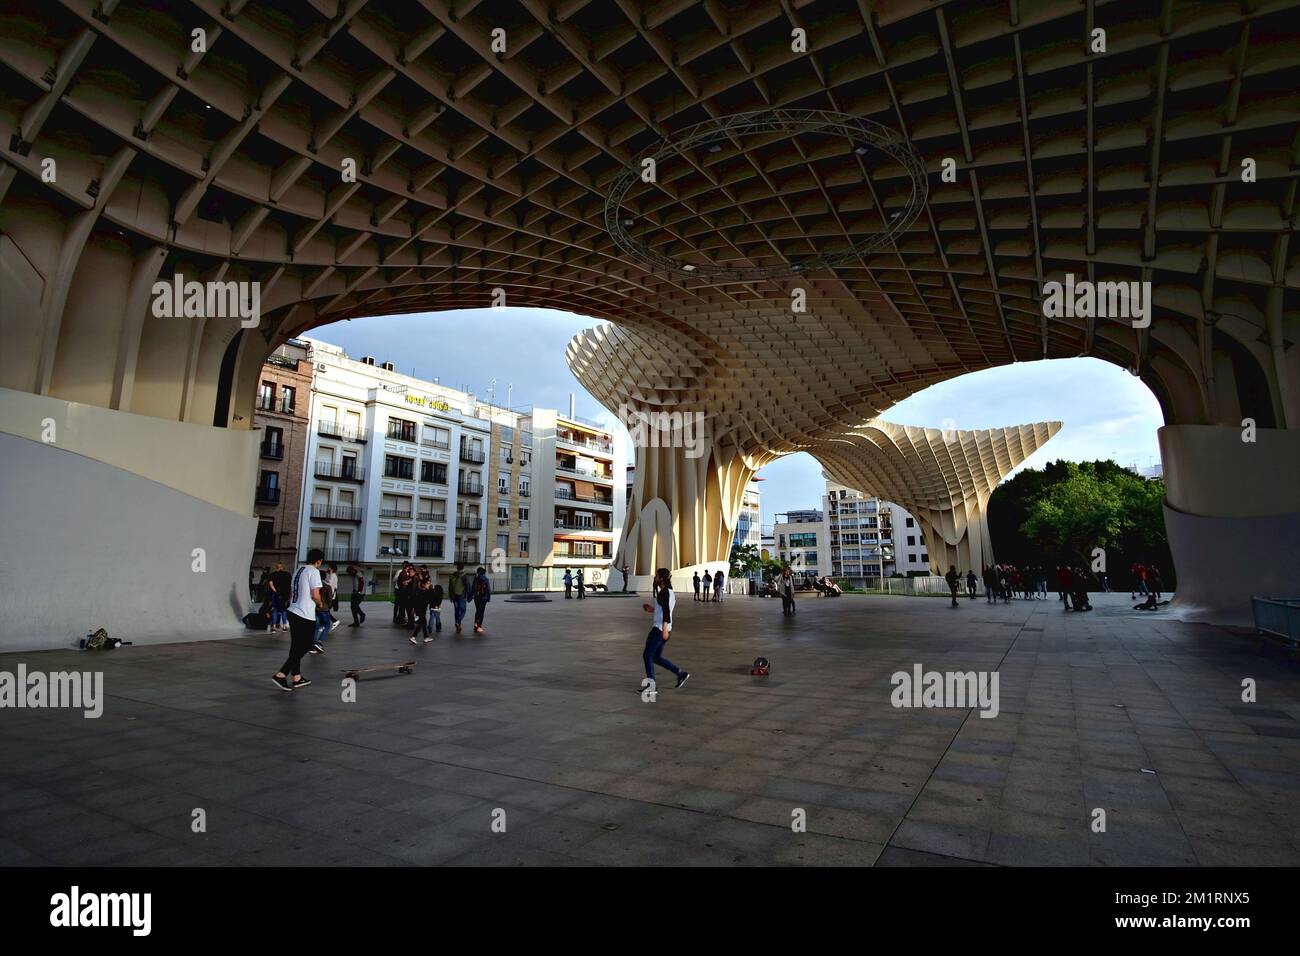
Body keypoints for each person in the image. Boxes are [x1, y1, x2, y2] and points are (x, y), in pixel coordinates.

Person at [272, 548, 323, 690]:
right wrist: (320, 603)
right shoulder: (314, 571)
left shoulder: (299, 570)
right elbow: (315, 594)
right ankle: (281, 674)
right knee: (307, 645)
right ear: (319, 561)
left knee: (296, 646)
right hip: (305, 614)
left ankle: (297, 677)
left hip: (293, 611)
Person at [640, 567, 689, 692]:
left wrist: (664, 629)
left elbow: (667, 611)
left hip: (659, 629)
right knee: (656, 657)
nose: (655, 578)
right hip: (664, 628)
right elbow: (663, 609)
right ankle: (680, 673)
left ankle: (651, 686)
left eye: (656, 576)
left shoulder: (664, 592)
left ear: (661, 578)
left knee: (647, 655)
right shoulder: (669, 592)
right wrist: (651, 609)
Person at [267, 561, 291, 632]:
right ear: (282, 567)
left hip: (276, 595)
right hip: (285, 595)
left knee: (275, 610)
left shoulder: (272, 574)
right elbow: (289, 585)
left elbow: (271, 584)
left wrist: (275, 591)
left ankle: (274, 627)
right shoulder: (287, 574)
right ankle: (284, 626)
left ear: (276, 567)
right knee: (284, 610)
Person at [409, 576, 433, 644]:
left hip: (420, 610)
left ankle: (425, 637)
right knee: (422, 623)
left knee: (422, 623)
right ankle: (414, 637)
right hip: (421, 610)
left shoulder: (420, 591)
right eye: (428, 583)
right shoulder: (425, 592)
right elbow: (430, 598)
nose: (429, 584)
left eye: (429, 583)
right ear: (423, 585)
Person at [449, 561, 468, 634]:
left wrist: (450, 596)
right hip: (461, 595)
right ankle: (458, 622)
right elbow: (467, 586)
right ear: (463, 568)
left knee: (456, 610)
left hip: (454, 595)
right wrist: (467, 595)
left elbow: (450, 586)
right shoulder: (464, 575)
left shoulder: (452, 575)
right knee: (463, 610)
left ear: (457, 568)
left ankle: (458, 625)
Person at [471, 566, 492, 634]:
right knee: (481, 612)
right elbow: (488, 589)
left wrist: (471, 596)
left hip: (477, 598)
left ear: (478, 572)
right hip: (484, 598)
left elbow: (473, 588)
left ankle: (475, 625)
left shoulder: (476, 579)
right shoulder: (486, 579)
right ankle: (479, 626)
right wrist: (488, 598)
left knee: (477, 611)